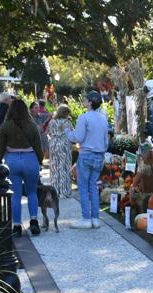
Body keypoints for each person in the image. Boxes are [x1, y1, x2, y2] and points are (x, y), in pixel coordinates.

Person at [0, 99, 43, 237]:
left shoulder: (5, 126)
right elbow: (38, 147)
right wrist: (39, 162)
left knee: (15, 195)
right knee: (32, 192)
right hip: (30, 159)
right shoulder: (32, 125)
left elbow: (0, 148)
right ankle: (34, 221)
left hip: (12, 161)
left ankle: (16, 226)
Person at [66, 91, 110, 229]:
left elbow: (77, 138)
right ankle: (95, 219)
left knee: (83, 187)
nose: (84, 101)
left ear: (90, 102)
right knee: (93, 187)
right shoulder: (103, 118)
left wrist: (67, 132)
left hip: (86, 155)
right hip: (99, 156)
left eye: (86, 99)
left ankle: (86, 218)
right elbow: (106, 141)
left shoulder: (83, 118)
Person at [47, 104, 74, 198]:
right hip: (64, 145)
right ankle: (64, 191)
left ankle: (55, 191)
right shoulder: (67, 122)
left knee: (55, 168)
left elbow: (48, 132)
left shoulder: (52, 121)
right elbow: (71, 134)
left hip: (54, 144)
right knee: (64, 168)